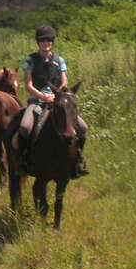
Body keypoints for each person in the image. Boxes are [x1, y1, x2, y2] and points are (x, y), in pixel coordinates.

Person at [17, 25, 89, 177]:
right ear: (38, 42)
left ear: (53, 41)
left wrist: (58, 96)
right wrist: (43, 97)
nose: (46, 42)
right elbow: (28, 84)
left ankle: (78, 160)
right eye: (43, 40)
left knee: (83, 127)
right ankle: (24, 160)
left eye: (49, 39)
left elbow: (64, 82)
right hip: (37, 101)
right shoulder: (31, 60)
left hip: (57, 101)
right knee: (24, 127)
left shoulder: (59, 60)